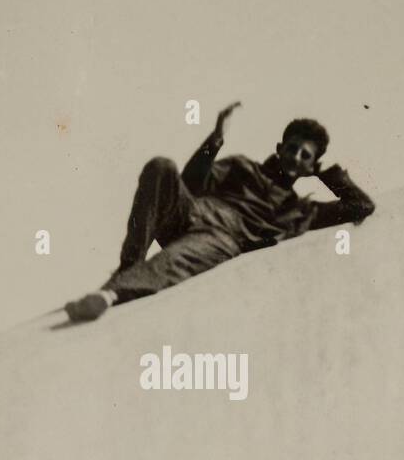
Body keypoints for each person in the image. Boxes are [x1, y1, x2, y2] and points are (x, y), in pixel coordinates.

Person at [64, 102, 376, 322]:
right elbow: (190, 183)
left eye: (305, 155)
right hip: (192, 211)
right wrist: (216, 138)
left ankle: (108, 297)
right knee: (162, 167)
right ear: (279, 148)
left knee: (173, 262)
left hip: (221, 237)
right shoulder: (242, 166)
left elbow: (361, 206)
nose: (295, 157)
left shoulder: (298, 210)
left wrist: (330, 175)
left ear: (311, 165)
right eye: (292, 148)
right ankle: (128, 267)